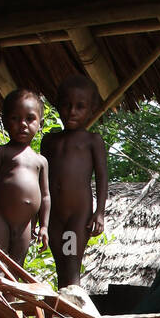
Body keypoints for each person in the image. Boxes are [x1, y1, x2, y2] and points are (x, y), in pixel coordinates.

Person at [41, 73, 108, 287]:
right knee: (60, 262)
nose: (72, 112)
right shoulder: (49, 140)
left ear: (91, 110)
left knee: (71, 261)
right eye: (66, 105)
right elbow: (41, 179)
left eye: (80, 107)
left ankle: (74, 308)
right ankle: (66, 309)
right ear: (58, 105)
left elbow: (102, 178)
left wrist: (99, 212)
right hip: (54, 216)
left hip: (77, 216)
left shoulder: (92, 141)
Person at [0, 89, 49, 267]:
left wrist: (44, 226)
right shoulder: (0, 152)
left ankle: (10, 296)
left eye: (30, 118)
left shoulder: (41, 161)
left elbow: (46, 195)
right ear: (4, 122)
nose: (23, 124)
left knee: (16, 267)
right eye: (15, 118)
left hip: (26, 223)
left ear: (40, 124)